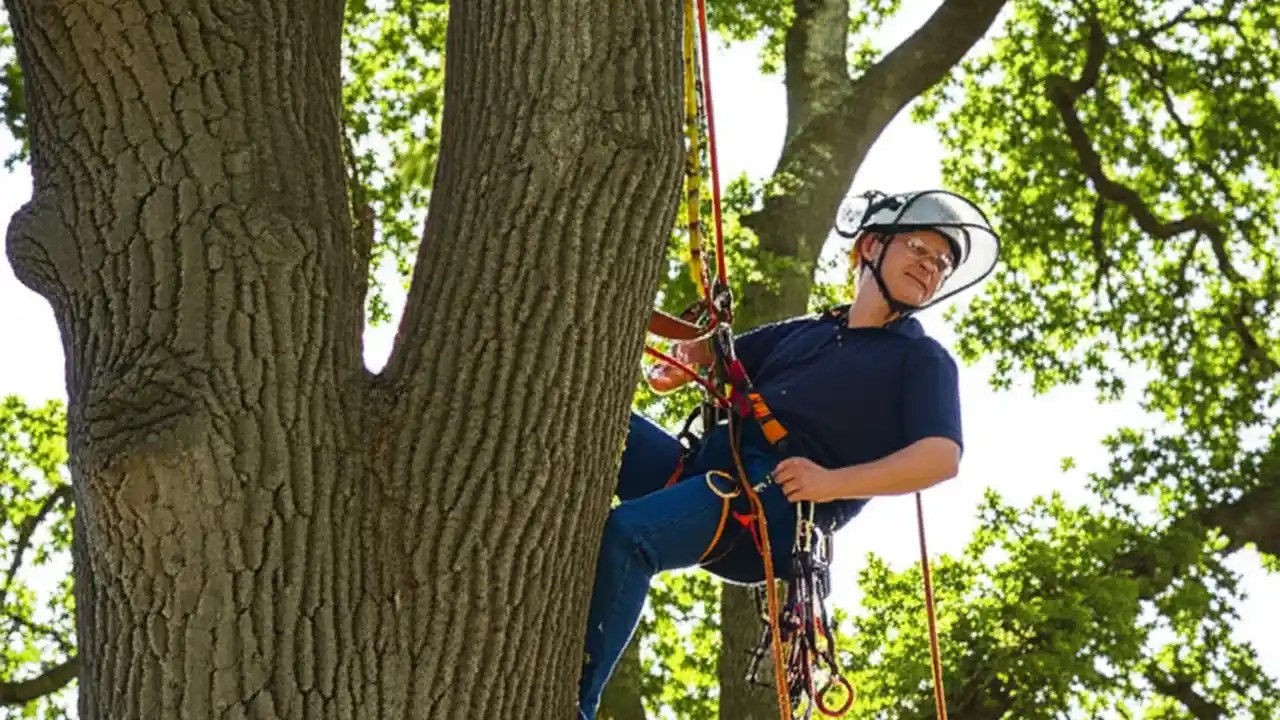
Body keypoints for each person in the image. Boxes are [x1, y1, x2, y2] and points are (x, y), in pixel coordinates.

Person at [576, 190, 1000, 719]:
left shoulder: (920, 358)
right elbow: (708, 352)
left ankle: (574, 706)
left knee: (632, 535)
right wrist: (677, 356)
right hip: (702, 473)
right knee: (591, 418)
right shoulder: (808, 332)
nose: (930, 267)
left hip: (766, 509)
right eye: (918, 247)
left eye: (941, 264)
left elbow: (940, 457)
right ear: (871, 245)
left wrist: (829, 483)